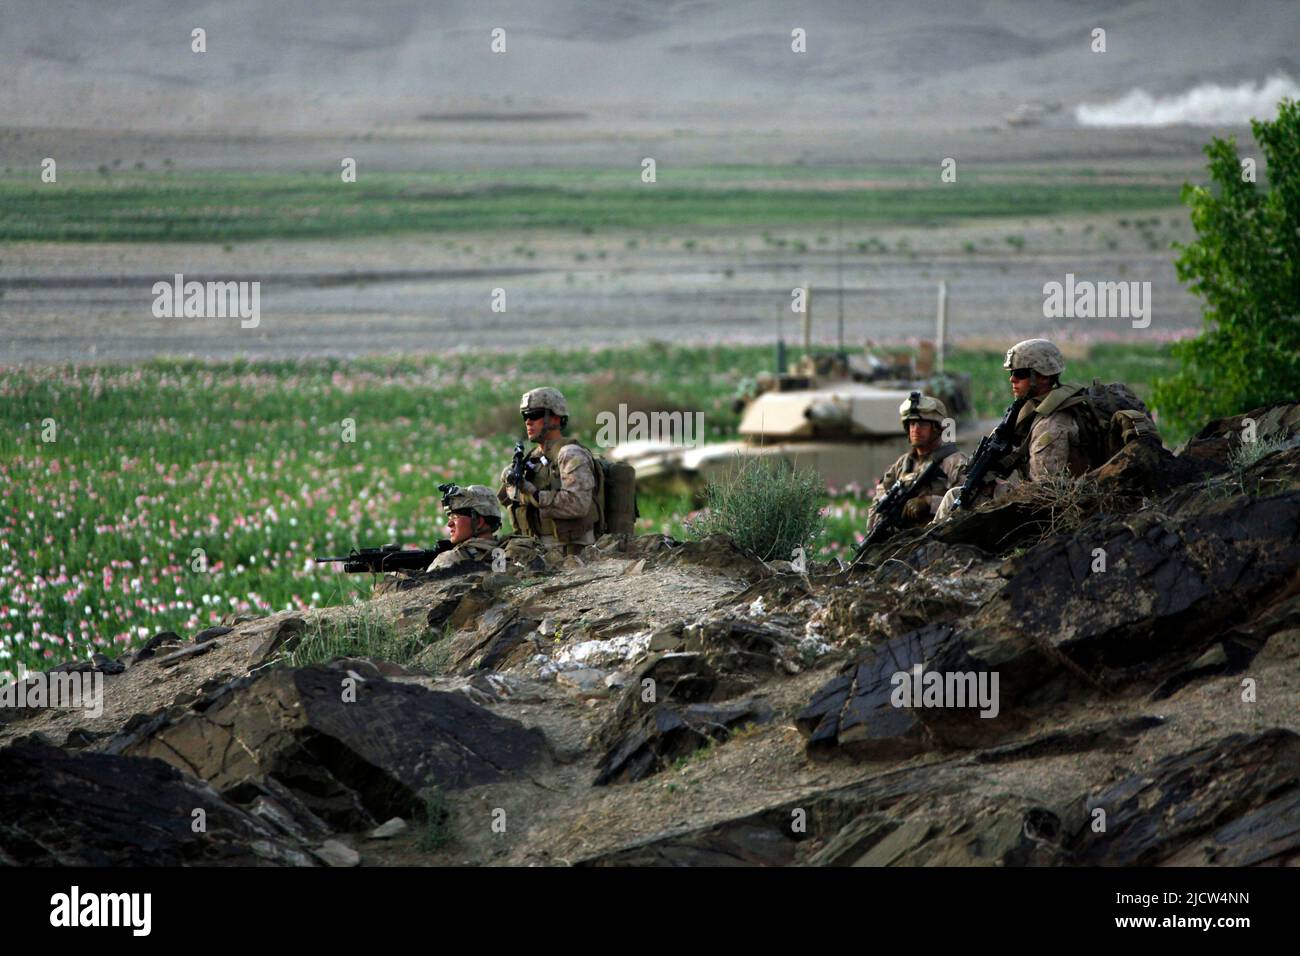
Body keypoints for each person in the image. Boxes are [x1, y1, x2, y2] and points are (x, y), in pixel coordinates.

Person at [934, 338, 1090, 520]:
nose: (1012, 379)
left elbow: (1047, 495)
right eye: (1012, 373)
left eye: (1020, 373)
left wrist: (1004, 490)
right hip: (1038, 503)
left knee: (956, 500)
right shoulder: (1029, 411)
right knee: (957, 494)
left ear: (1044, 376)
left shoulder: (1050, 425)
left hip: (1046, 513)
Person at [497, 387, 600, 555]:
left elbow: (578, 505)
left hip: (573, 552)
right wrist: (511, 482)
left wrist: (532, 493)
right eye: (525, 416)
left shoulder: (570, 454)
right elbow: (506, 500)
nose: (528, 422)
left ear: (556, 418)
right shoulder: (532, 458)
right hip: (538, 549)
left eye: (535, 415)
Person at [867, 392, 967, 530]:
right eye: (912, 424)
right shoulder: (902, 465)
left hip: (938, 539)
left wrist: (929, 503)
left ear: (938, 428)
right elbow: (878, 503)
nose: (915, 429)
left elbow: (968, 500)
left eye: (922, 424)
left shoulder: (955, 462)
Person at [428, 483, 502, 571]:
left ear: (478, 522)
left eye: (455, 517)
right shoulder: (506, 550)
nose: (449, 524)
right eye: (450, 518)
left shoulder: (449, 559)